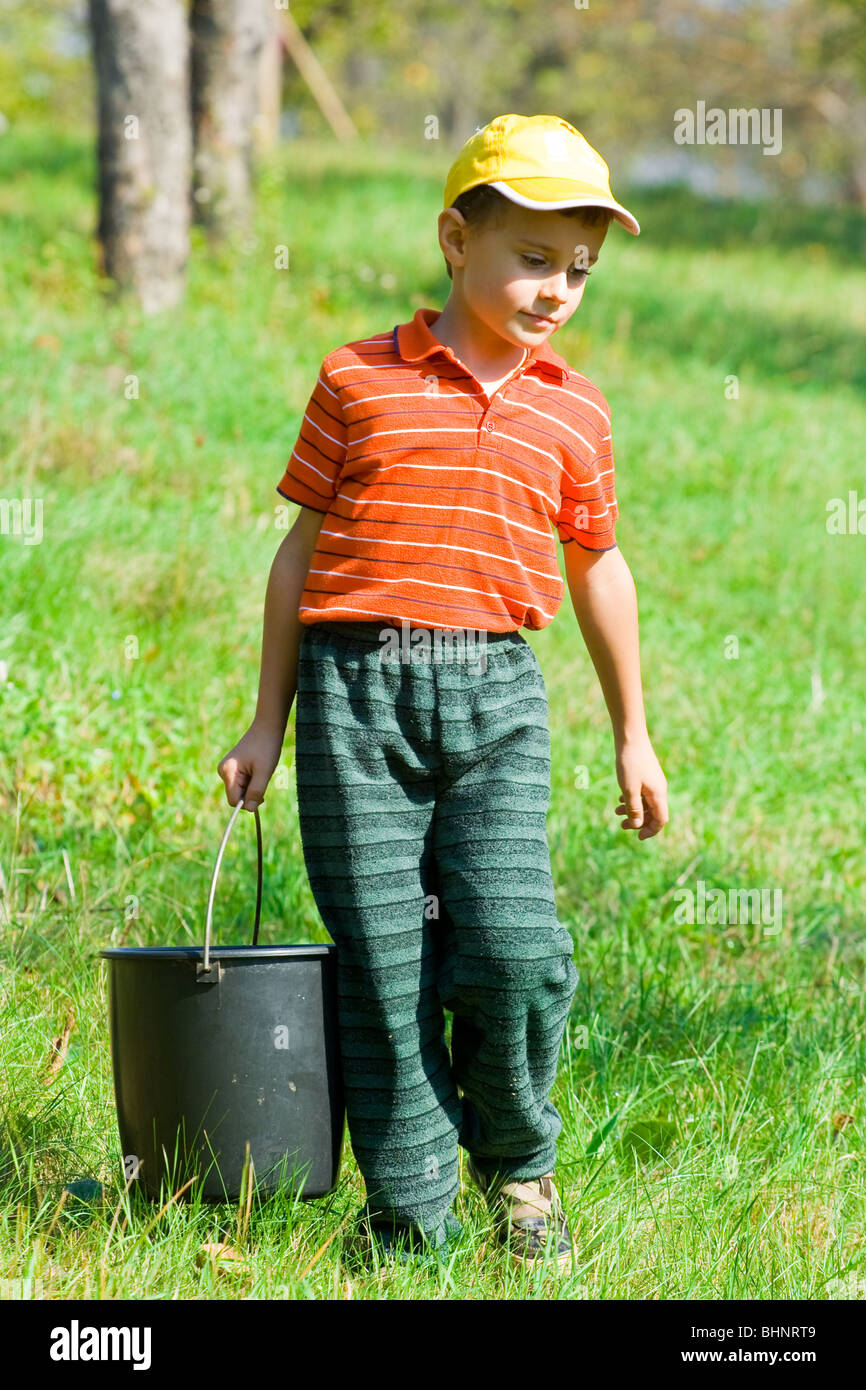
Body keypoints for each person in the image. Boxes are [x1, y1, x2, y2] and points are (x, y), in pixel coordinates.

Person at [217, 113, 669, 1273]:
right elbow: (298, 552)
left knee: (512, 944)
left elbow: (598, 565)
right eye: (531, 256)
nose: (557, 288)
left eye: (579, 268)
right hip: (353, 697)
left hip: (496, 698)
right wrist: (267, 720)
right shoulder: (355, 380)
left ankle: (517, 1162)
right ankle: (409, 1213)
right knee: (380, 961)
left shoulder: (574, 410)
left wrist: (633, 731)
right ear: (454, 240)